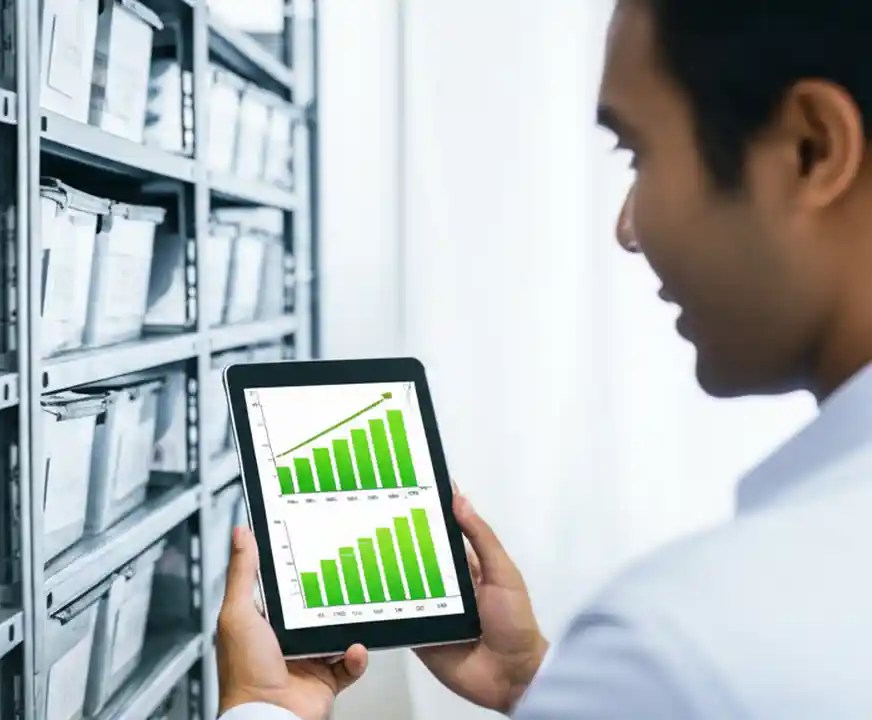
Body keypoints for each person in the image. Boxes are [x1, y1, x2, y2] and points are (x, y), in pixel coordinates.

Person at [216, 0, 872, 717]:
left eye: (638, 152)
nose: (627, 228)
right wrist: (534, 684)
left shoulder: (679, 650)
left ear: (812, 149)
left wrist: (263, 703)